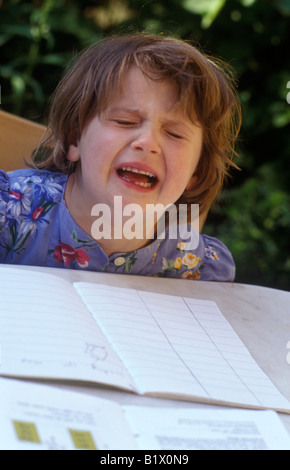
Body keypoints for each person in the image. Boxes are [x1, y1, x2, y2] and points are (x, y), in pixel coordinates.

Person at [0, 34, 241, 280]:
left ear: (196, 171)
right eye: (125, 121)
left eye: (174, 133)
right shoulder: (8, 214)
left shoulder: (192, 266)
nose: (148, 143)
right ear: (75, 139)